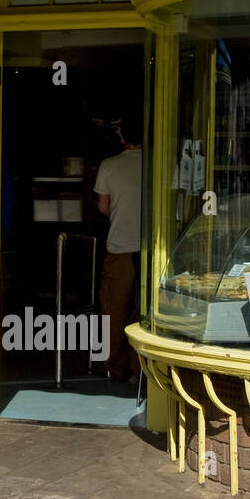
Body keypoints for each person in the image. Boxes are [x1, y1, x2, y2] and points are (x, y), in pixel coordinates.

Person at [94, 117, 143, 383]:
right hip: (151, 250)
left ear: (121, 137)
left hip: (120, 246)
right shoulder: (159, 163)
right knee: (144, 312)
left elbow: (103, 207)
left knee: (115, 310)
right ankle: (142, 372)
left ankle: (117, 368)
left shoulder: (109, 165)